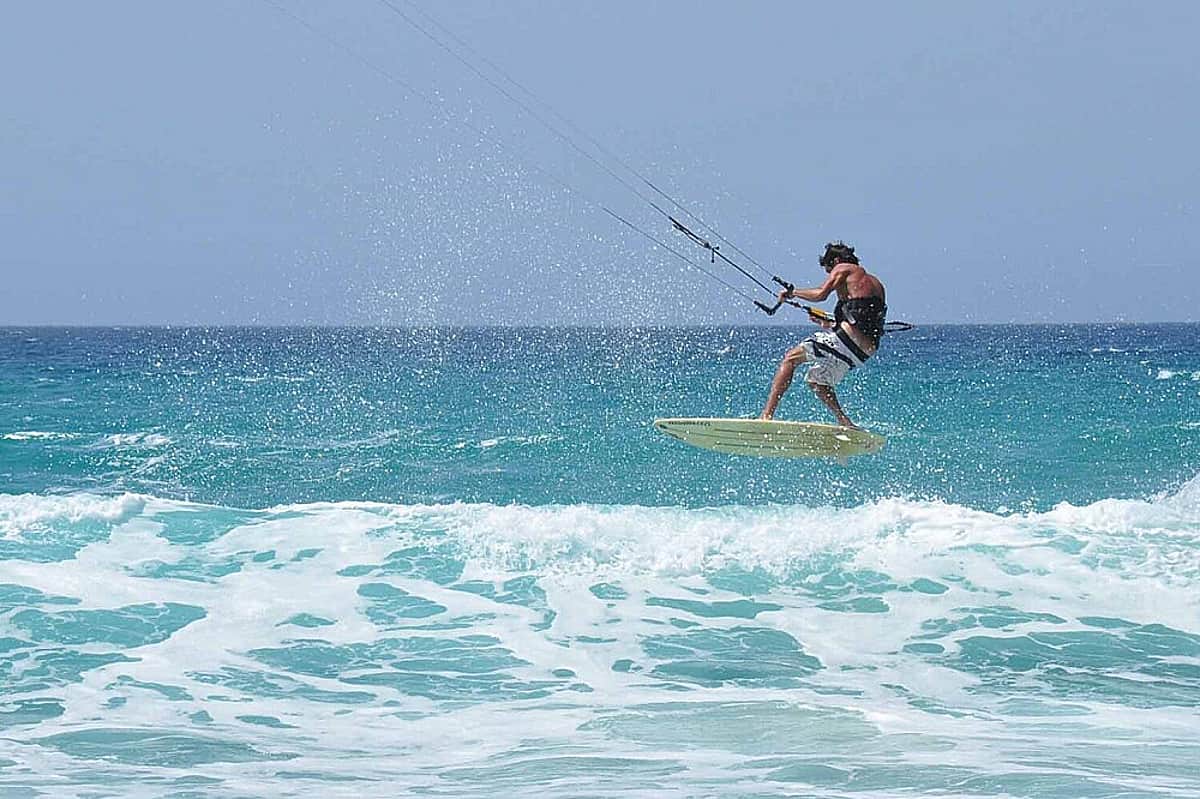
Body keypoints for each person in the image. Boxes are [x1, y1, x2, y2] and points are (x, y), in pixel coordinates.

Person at [759, 241, 886, 428]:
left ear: (835, 260)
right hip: (865, 350)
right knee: (817, 380)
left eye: (828, 270)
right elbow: (862, 319)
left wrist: (793, 293)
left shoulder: (844, 268)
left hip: (848, 340)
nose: (830, 274)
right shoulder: (875, 283)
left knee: (790, 359)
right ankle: (845, 422)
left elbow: (820, 294)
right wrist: (827, 324)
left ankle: (766, 416)